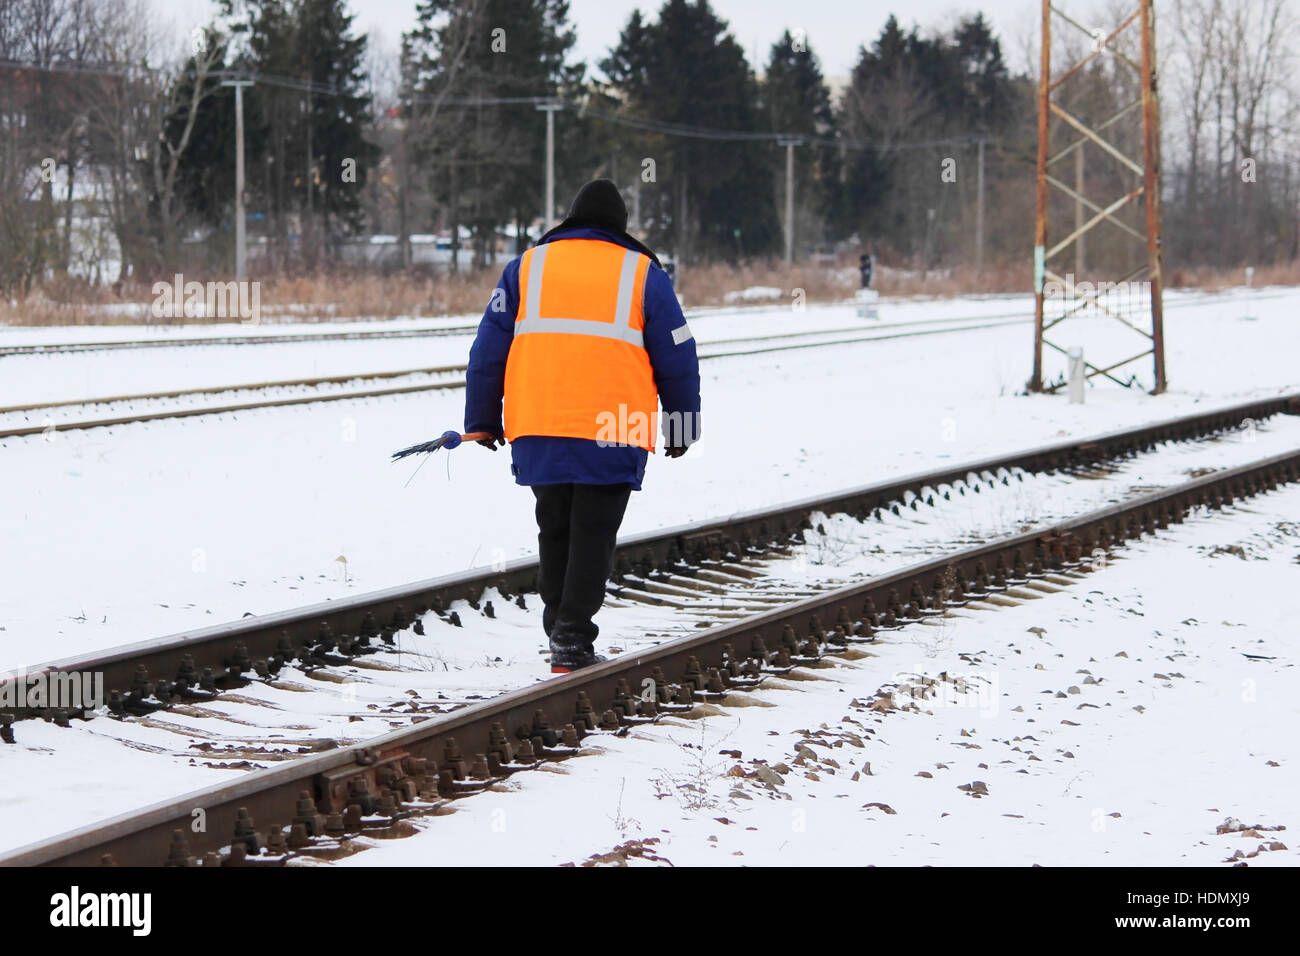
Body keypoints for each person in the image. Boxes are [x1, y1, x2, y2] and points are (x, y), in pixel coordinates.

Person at [464, 179, 701, 673]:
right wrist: (681, 425)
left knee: (554, 527)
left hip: (540, 423)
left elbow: (488, 347)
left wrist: (482, 420)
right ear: (620, 228)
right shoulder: (643, 273)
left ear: (571, 221)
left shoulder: (526, 267)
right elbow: (677, 353)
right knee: (593, 531)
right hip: (613, 428)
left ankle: (561, 629)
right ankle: (571, 634)